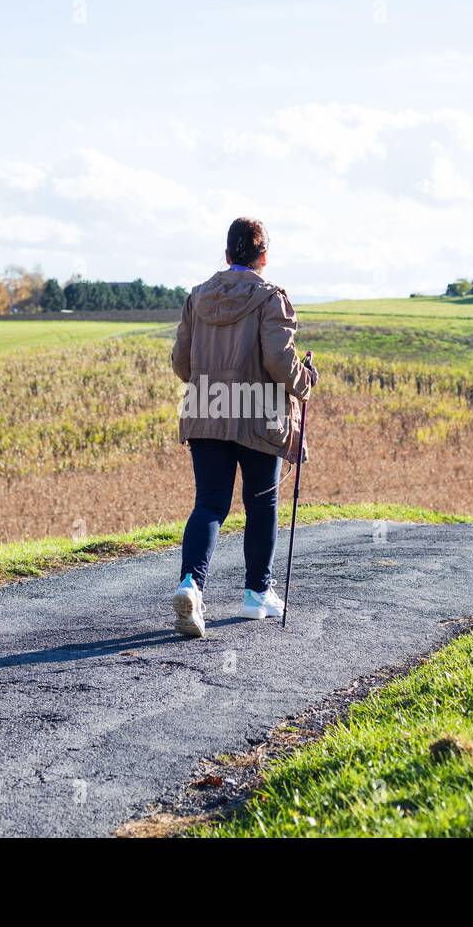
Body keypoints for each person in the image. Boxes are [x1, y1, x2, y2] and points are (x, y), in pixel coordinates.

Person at [169, 217, 318, 638]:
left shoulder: (197, 298)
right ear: (263, 257)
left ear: (228, 252)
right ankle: (256, 595)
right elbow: (277, 359)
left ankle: (191, 585)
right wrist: (305, 382)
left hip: (206, 409)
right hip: (259, 412)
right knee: (261, 504)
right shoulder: (271, 298)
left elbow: (181, 363)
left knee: (210, 504)